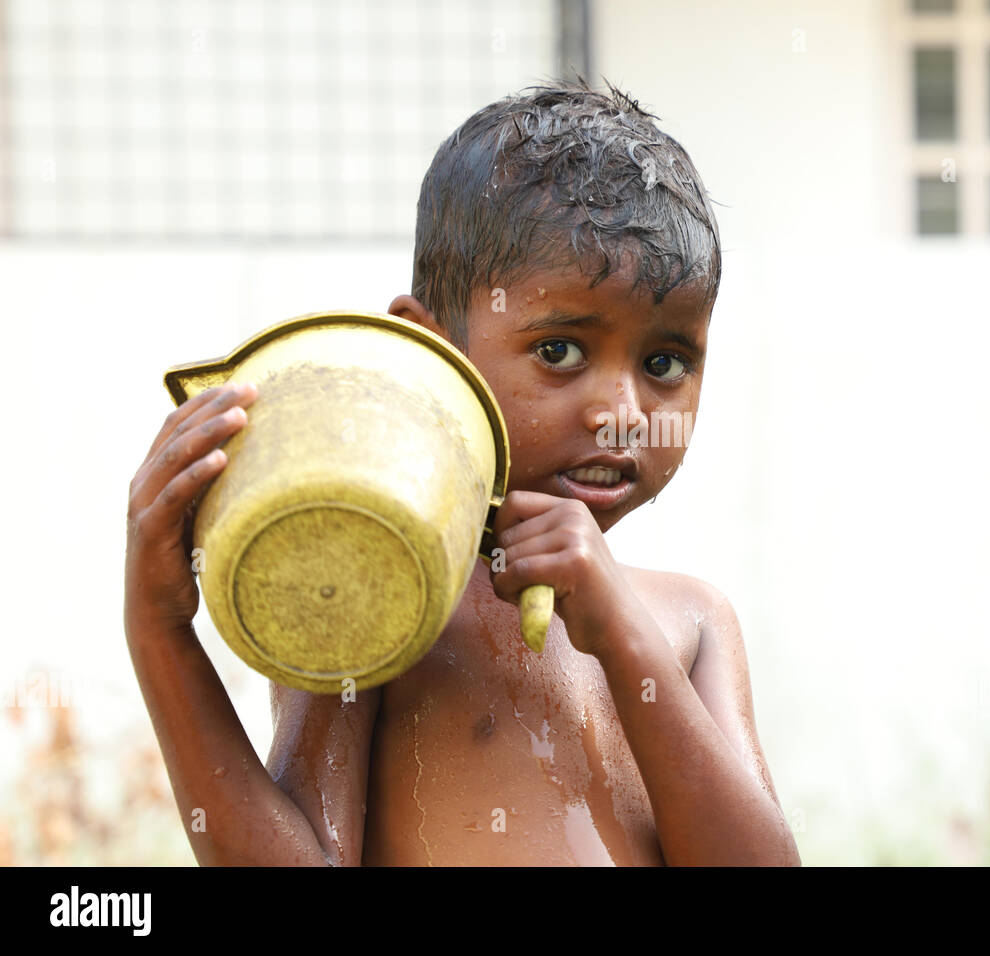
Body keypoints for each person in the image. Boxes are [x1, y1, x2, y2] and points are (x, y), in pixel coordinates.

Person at [124, 77, 799, 865]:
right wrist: (160, 634)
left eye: (664, 361)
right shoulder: (389, 597)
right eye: (560, 351)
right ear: (432, 351)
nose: (622, 409)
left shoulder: (690, 623)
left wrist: (624, 637)